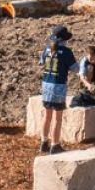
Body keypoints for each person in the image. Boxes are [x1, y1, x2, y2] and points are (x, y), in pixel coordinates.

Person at [36, 25, 78, 153]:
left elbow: (41, 63)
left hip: (46, 84)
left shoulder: (47, 49)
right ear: (63, 39)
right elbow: (75, 69)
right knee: (57, 118)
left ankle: (44, 142)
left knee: (47, 116)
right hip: (58, 86)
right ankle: (55, 144)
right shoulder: (66, 52)